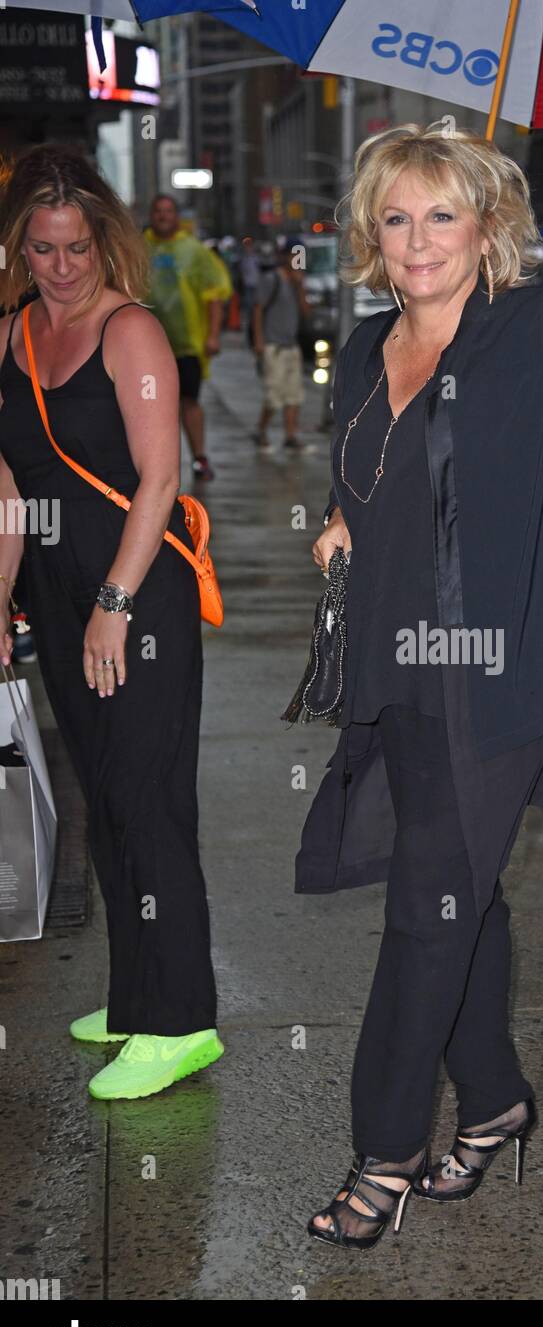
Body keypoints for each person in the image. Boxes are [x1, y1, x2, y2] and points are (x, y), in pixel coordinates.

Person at [296, 82, 543, 1249]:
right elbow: (365, 467)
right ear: (373, 233)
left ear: (486, 227)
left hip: (501, 674)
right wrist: (341, 521)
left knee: (424, 906)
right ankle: (499, 1099)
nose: (416, 241)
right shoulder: (365, 344)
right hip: (394, 664)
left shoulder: (537, 325)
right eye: (397, 219)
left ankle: (384, 1151)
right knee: (460, 889)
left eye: (441, 218)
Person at [0, 145, 223, 1099]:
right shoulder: (7, 334)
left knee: (147, 797)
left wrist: (113, 606)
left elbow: (160, 479)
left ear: (105, 242)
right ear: (19, 246)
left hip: (135, 592)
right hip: (53, 590)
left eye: (78, 248)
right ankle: (137, 996)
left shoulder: (130, 330)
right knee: (102, 797)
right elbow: (9, 481)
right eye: (44, 249)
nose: (62, 267)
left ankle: (182, 1021)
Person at [143, 193, 232, 481]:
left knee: (189, 402)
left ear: (177, 216)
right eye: (158, 211)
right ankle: (155, 467)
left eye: (168, 211)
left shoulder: (194, 250)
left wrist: (213, 335)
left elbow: (214, 294)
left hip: (187, 345)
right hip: (146, 347)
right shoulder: (138, 248)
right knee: (151, 405)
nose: (163, 216)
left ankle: (199, 459)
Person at [251, 238, 310, 452]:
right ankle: (261, 430)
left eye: (300, 256)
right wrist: (259, 340)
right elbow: (257, 309)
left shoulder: (297, 281)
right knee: (274, 394)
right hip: (273, 344)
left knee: (294, 393)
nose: (296, 260)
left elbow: (305, 312)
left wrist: (300, 285)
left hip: (291, 345)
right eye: (293, 255)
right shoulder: (271, 279)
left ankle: (291, 435)